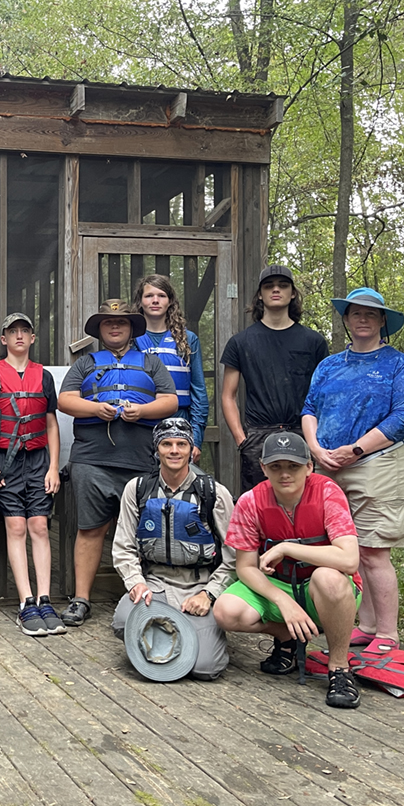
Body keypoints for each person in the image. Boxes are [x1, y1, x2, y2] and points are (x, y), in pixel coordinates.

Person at [301, 287, 404, 658]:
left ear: (383, 320)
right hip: (328, 465)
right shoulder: (330, 365)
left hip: (378, 465)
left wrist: (356, 450)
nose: (363, 319)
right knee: (346, 548)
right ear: (347, 320)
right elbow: (309, 408)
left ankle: (386, 631)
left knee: (373, 551)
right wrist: (317, 450)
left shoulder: (400, 364)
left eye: (371, 313)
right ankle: (366, 626)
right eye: (356, 313)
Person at [213, 432, 363, 709]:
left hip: (325, 588)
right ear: (263, 468)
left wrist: (286, 548)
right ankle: (286, 636)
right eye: (276, 467)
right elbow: (245, 567)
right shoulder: (250, 501)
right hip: (280, 584)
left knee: (327, 577)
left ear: (308, 467)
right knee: (226, 610)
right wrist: (283, 602)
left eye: (293, 466)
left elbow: (349, 559)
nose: (285, 474)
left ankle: (340, 668)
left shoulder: (328, 492)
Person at [57, 300, 177, 626]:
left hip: (140, 464)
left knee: (145, 532)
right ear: (99, 329)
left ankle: (148, 595)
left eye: (121, 323)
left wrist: (143, 411)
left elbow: (170, 400)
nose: (114, 327)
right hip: (91, 461)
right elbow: (65, 400)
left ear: (131, 329)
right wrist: (96, 409)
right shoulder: (85, 364)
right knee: (90, 529)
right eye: (108, 322)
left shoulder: (151, 363)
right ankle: (81, 599)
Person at [111, 418, 236, 679]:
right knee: (123, 620)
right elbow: (124, 547)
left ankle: (199, 635)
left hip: (199, 586)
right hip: (155, 585)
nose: (174, 451)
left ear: (192, 450)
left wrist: (210, 594)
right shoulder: (137, 489)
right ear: (157, 450)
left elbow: (234, 556)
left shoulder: (214, 493)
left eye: (181, 444)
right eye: (166, 444)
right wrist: (136, 583)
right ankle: (175, 634)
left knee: (205, 668)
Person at [0, 313, 65, 636]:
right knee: (15, 525)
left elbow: (51, 422)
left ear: (32, 338)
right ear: (3, 339)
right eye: (12, 331)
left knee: (39, 525)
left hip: (38, 458)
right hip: (4, 459)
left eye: (24, 331)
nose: (18, 336)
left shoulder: (43, 376)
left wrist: (53, 466)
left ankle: (45, 599)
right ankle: (25, 602)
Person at [220, 265, 328, 493]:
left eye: (283, 285)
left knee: (305, 504)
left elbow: (323, 395)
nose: (276, 290)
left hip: (303, 434)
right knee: (258, 508)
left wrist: (316, 439)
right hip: (258, 436)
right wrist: (243, 440)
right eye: (269, 286)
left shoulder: (313, 341)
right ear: (260, 294)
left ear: (293, 293)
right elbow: (228, 396)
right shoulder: (240, 342)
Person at [132, 275, 209, 461]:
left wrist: (196, 439)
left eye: (161, 295)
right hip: (140, 424)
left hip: (179, 422)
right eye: (149, 295)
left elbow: (199, 391)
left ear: (170, 302)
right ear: (140, 302)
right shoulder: (131, 341)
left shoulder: (187, 339)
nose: (155, 300)